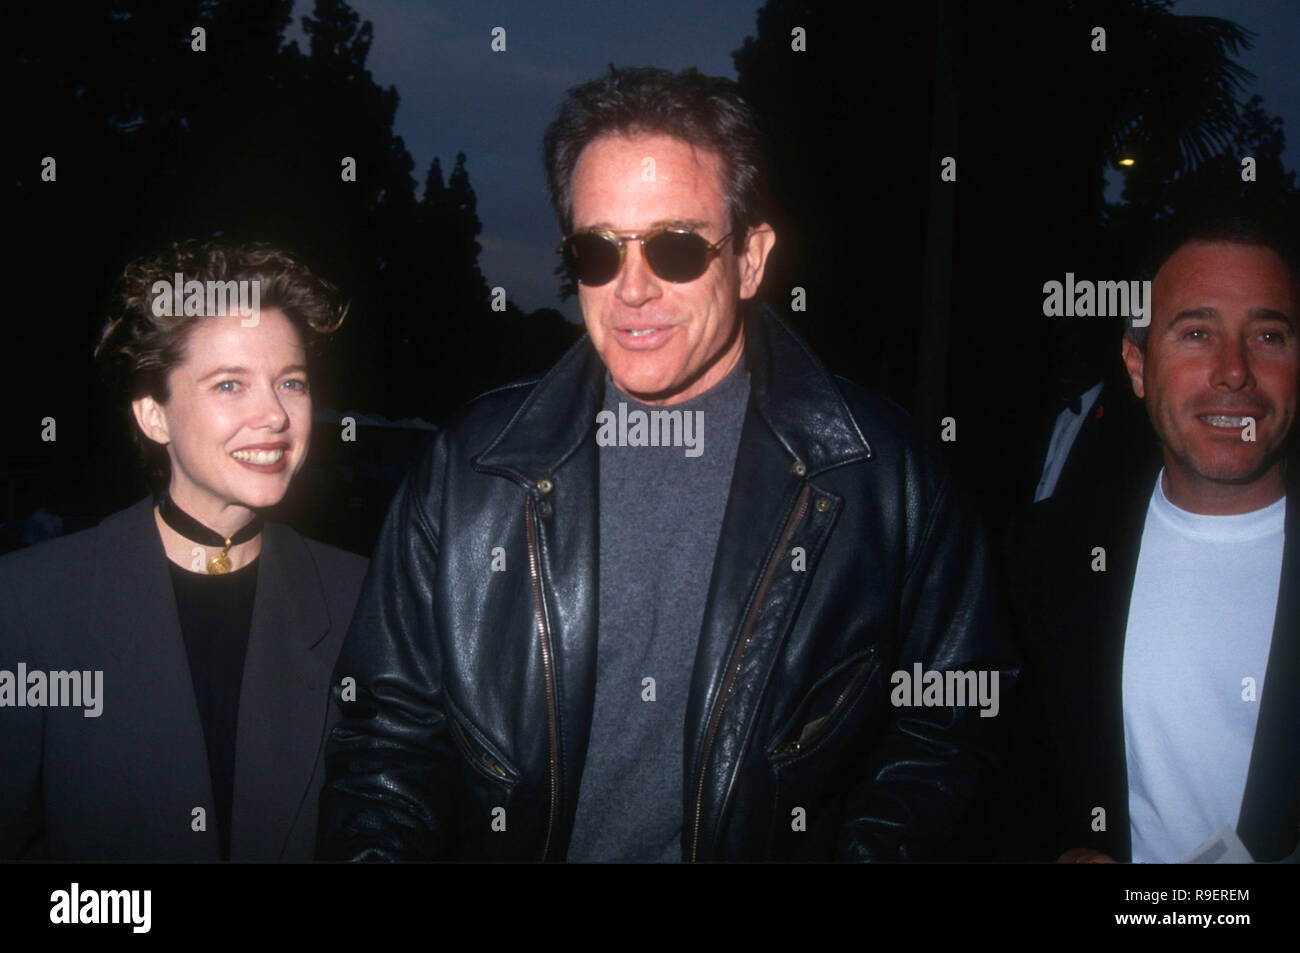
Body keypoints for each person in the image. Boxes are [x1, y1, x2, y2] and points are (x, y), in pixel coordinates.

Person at [318, 65, 1015, 862]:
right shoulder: (470, 469)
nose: (632, 288)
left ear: (751, 259)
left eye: (677, 247)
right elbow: (385, 741)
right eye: (597, 251)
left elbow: (951, 720)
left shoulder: (881, 476)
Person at [0, 240, 368, 860]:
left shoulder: (363, 597)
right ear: (153, 416)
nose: (275, 415)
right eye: (230, 384)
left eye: (291, 382)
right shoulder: (29, 605)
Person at [999, 212, 1300, 863]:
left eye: (1269, 336)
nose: (1234, 371)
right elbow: (1001, 768)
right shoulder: (1044, 558)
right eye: (1197, 333)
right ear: (1138, 365)